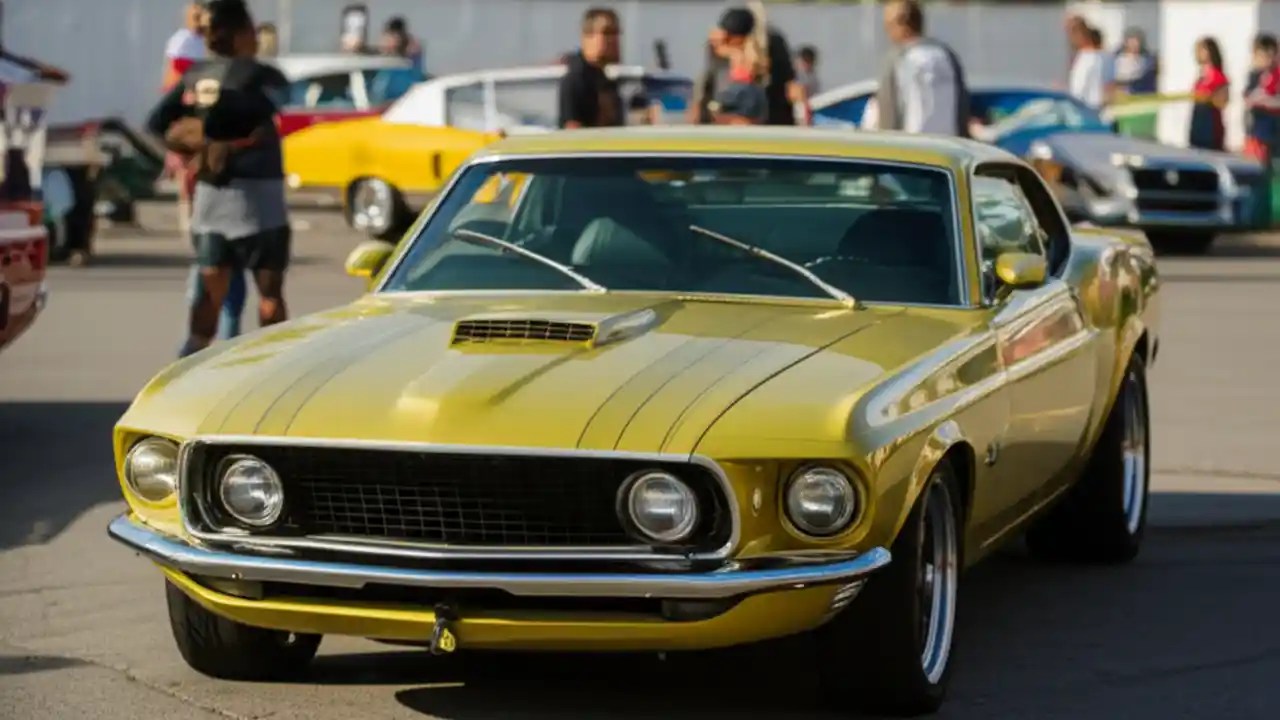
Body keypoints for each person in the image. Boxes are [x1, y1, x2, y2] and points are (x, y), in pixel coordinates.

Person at [146, 0, 292, 358]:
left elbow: (155, 123)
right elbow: (279, 104)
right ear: (243, 34)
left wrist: (195, 149)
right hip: (261, 202)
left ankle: (186, 373)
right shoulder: (263, 77)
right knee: (270, 297)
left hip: (211, 200)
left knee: (208, 298)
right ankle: (275, 368)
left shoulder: (194, 76)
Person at [872, 0, 970, 137]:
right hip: (949, 148)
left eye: (888, 26)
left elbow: (889, 113)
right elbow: (962, 109)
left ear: (901, 24)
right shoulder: (947, 55)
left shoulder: (899, 59)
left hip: (912, 149)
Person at [705, 5, 803, 126]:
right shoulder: (718, 48)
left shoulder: (767, 45)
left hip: (767, 108)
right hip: (734, 104)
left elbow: (787, 81)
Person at [558, 7, 624, 129]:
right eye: (607, 33)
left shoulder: (606, 81)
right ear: (587, 37)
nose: (613, 40)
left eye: (616, 33)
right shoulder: (575, 80)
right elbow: (572, 132)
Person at [1245, 35, 1280, 227]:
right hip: (1258, 133)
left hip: (1275, 132)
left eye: (1270, 54)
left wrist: (1265, 100)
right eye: (1262, 54)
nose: (1266, 58)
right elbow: (1249, 99)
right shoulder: (1253, 76)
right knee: (1259, 175)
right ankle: (1259, 216)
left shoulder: (1277, 75)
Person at [1189, 37, 1229, 151]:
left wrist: (1210, 97)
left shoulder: (1218, 75)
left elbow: (1223, 101)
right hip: (1198, 119)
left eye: (1203, 49)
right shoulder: (1201, 76)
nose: (1199, 53)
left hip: (1210, 122)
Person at [1068, 23, 1113, 110]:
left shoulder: (1088, 58)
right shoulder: (1103, 57)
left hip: (1086, 106)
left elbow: (1079, 87)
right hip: (1097, 104)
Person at [1113, 28, 1158, 96]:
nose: (1134, 44)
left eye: (1137, 41)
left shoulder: (1147, 61)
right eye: (1131, 41)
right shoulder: (1117, 59)